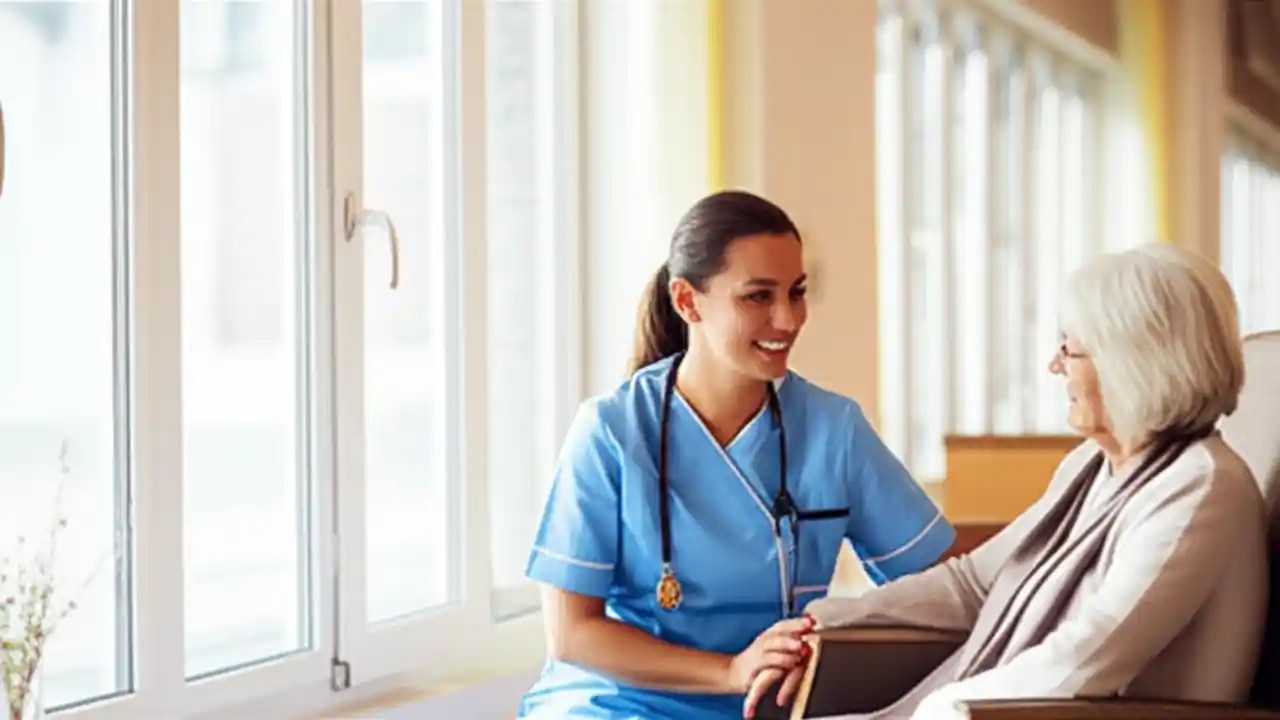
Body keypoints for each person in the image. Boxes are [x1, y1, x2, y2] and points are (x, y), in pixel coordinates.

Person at [748, 244, 1268, 719]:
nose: (1056, 366)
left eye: (1071, 350)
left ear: (1133, 365)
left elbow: (1087, 657)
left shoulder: (1201, 488)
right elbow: (975, 583)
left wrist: (942, 709)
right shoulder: (1092, 466)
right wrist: (826, 621)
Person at [516, 190, 955, 719]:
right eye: (757, 296)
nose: (788, 320)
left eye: (796, 292)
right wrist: (728, 671)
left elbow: (939, 590)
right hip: (615, 701)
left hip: (762, 704)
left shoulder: (832, 430)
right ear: (687, 301)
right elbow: (572, 633)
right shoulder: (611, 431)